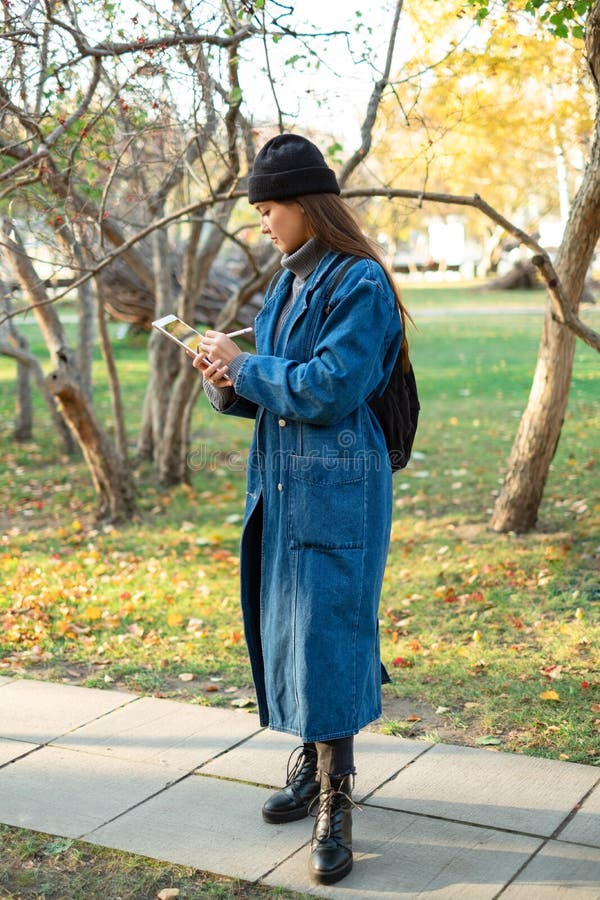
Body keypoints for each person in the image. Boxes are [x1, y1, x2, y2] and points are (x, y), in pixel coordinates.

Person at [192, 133, 410, 886]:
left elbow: (327, 386)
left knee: (328, 632)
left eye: (267, 208)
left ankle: (336, 798)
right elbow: (273, 391)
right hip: (283, 483)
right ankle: (314, 767)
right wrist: (225, 378)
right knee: (288, 626)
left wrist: (247, 364)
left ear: (306, 205)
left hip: (339, 485)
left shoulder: (360, 284)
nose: (261, 222)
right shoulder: (286, 285)